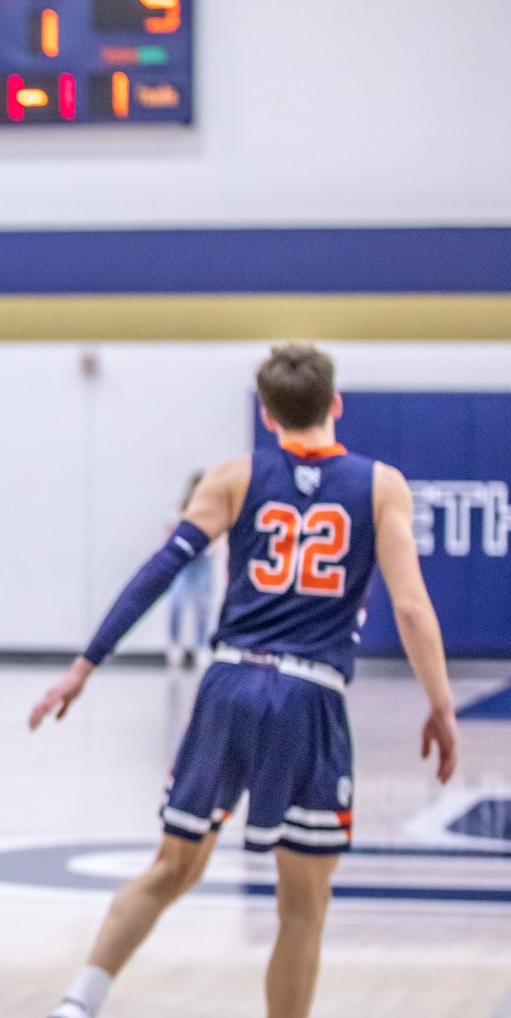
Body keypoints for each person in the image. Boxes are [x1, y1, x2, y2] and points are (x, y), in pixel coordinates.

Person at [29, 343, 461, 1018]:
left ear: (267, 414)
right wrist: (441, 704)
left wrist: (87, 663)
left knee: (172, 868)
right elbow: (410, 607)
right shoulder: (381, 485)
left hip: (228, 684)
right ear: (336, 404)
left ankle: (78, 1002)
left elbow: (159, 571)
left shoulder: (233, 477)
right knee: (302, 904)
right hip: (309, 694)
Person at [164, 470, 218, 667]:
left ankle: (202, 645)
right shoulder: (180, 508)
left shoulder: (213, 508)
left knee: (203, 605)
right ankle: (174, 644)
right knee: (177, 602)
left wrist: (213, 549)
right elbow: (170, 532)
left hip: (203, 560)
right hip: (184, 560)